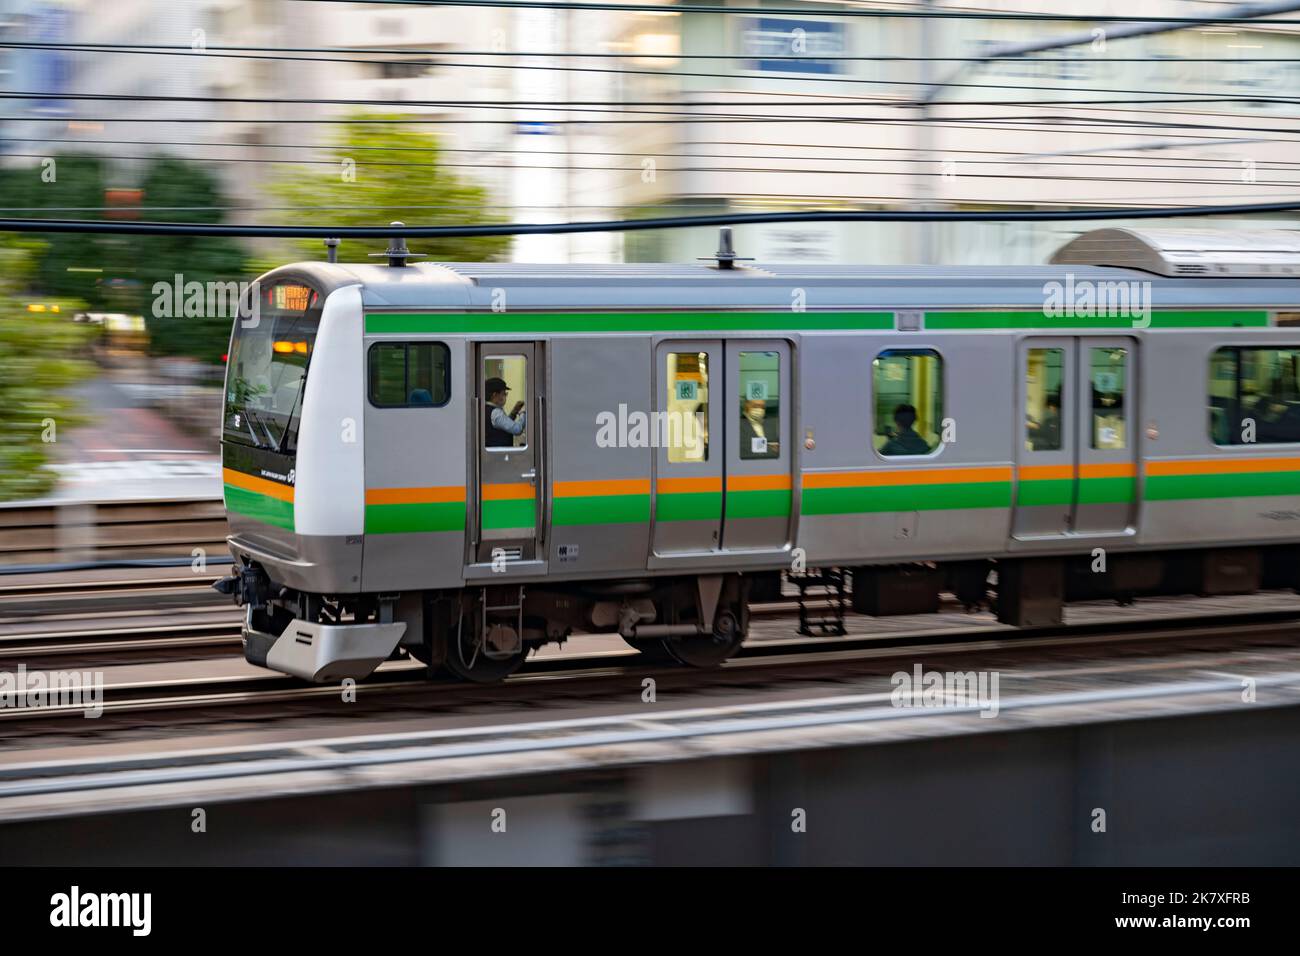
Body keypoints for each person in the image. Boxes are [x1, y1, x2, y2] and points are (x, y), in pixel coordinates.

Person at [484, 376, 525, 447]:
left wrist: (514, 412)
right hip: (500, 454)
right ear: (495, 395)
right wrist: (524, 413)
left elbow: (503, 425)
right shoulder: (495, 413)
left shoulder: (487, 409)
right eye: (504, 394)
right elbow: (517, 429)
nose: (505, 396)